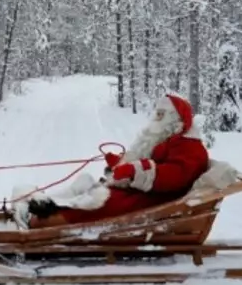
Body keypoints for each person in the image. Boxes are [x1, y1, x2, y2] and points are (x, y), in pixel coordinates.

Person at [18, 92, 211, 229]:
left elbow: (173, 176)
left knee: (101, 201)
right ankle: (46, 206)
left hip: (157, 201)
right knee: (88, 185)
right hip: (144, 192)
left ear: (175, 119)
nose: (155, 120)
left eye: (161, 115)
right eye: (156, 114)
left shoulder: (190, 147)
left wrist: (132, 170)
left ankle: (45, 221)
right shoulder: (168, 138)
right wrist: (119, 163)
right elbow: (147, 162)